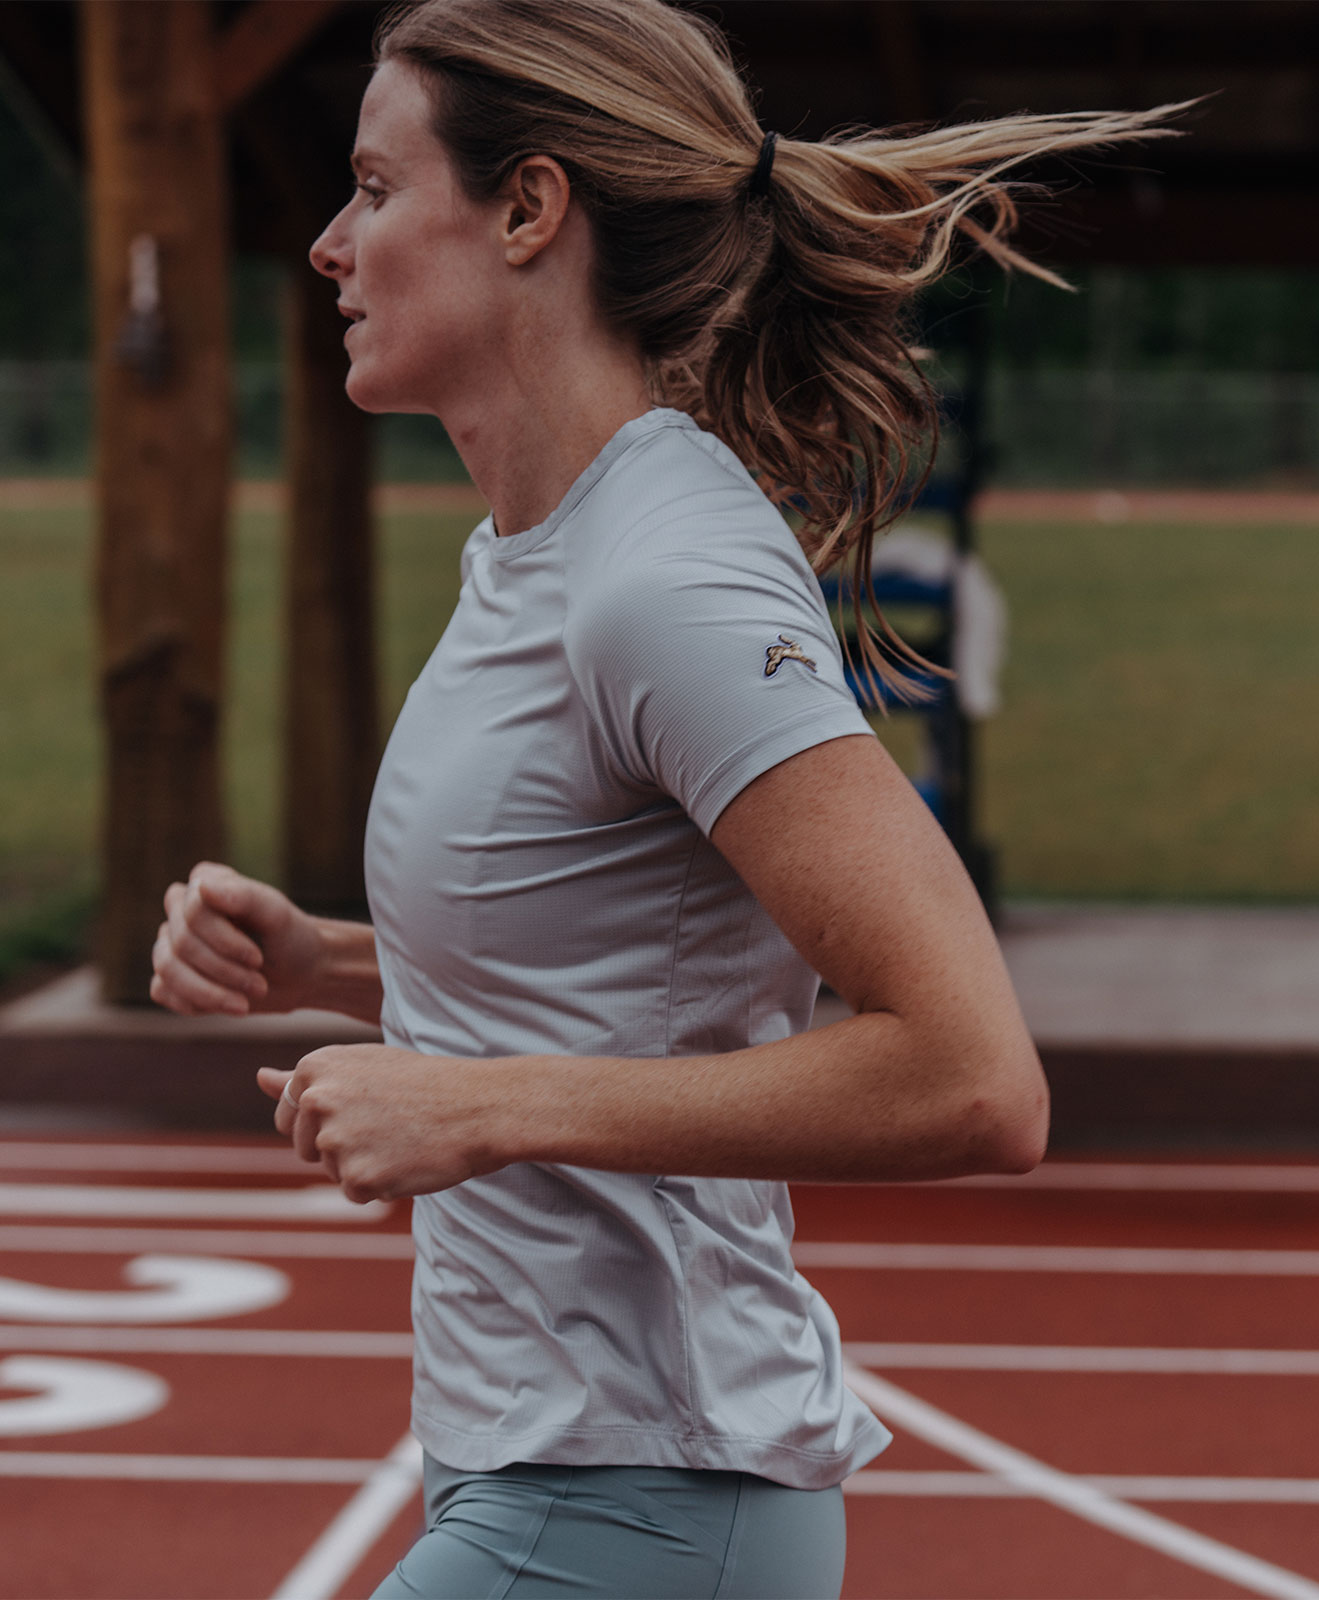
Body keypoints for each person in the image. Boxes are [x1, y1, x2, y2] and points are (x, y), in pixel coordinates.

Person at [148, 3, 1181, 1593]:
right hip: (555, 1478)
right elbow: (642, 958)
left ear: (526, 210)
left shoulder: (663, 579)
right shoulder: (539, 549)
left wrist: (477, 1104)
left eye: (369, 185)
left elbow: (975, 1078)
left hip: (636, 1501)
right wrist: (327, 963)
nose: (326, 243)